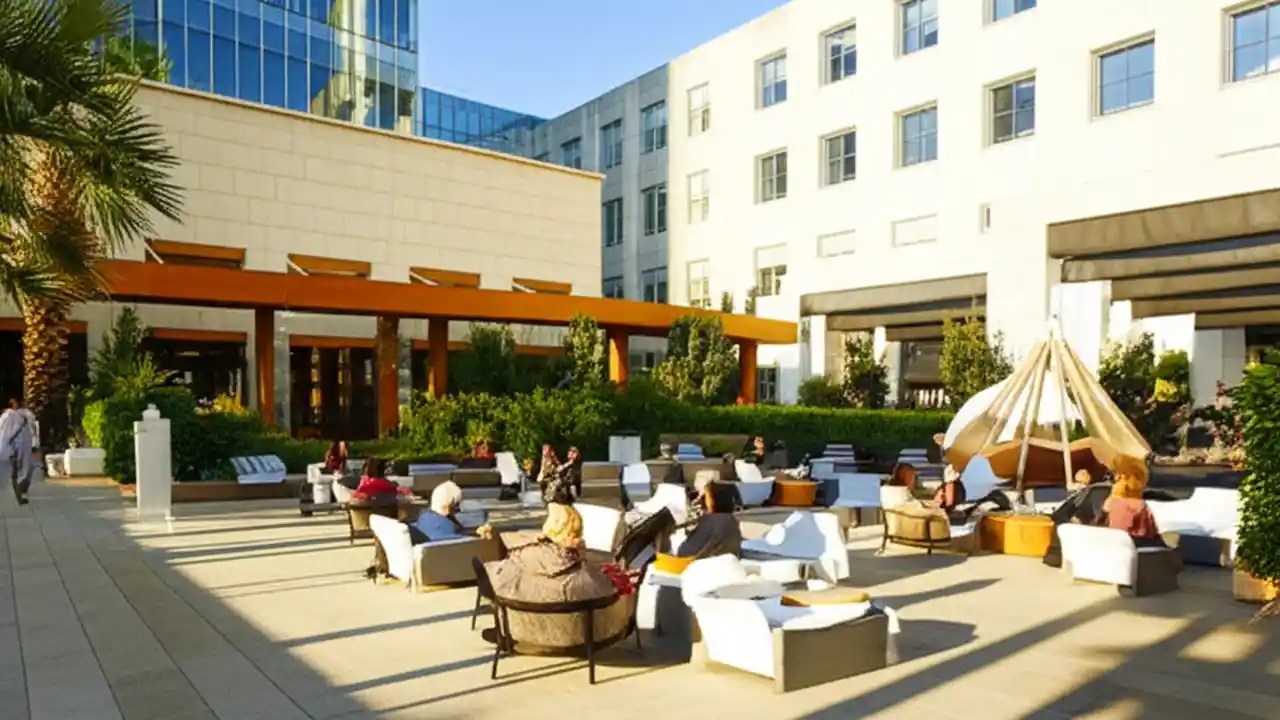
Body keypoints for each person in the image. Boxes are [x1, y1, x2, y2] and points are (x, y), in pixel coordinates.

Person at [486, 503, 634, 647]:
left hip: (525, 635)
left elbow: (490, 583)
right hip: (583, 640)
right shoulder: (589, 580)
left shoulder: (514, 568)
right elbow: (611, 596)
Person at [1103, 455, 1166, 548]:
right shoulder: (1141, 505)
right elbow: (1152, 532)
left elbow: (1119, 535)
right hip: (1144, 549)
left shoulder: (1120, 504)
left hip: (1126, 548)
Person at [674, 478, 742, 559]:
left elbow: (685, 552)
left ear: (713, 499)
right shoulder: (731, 522)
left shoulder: (711, 521)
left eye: (706, 497)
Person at [0, 398, 35, 505]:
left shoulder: (8, 417)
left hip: (11, 449)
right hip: (15, 448)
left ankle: (20, 496)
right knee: (17, 474)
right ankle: (20, 497)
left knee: (16, 474)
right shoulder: (13, 416)